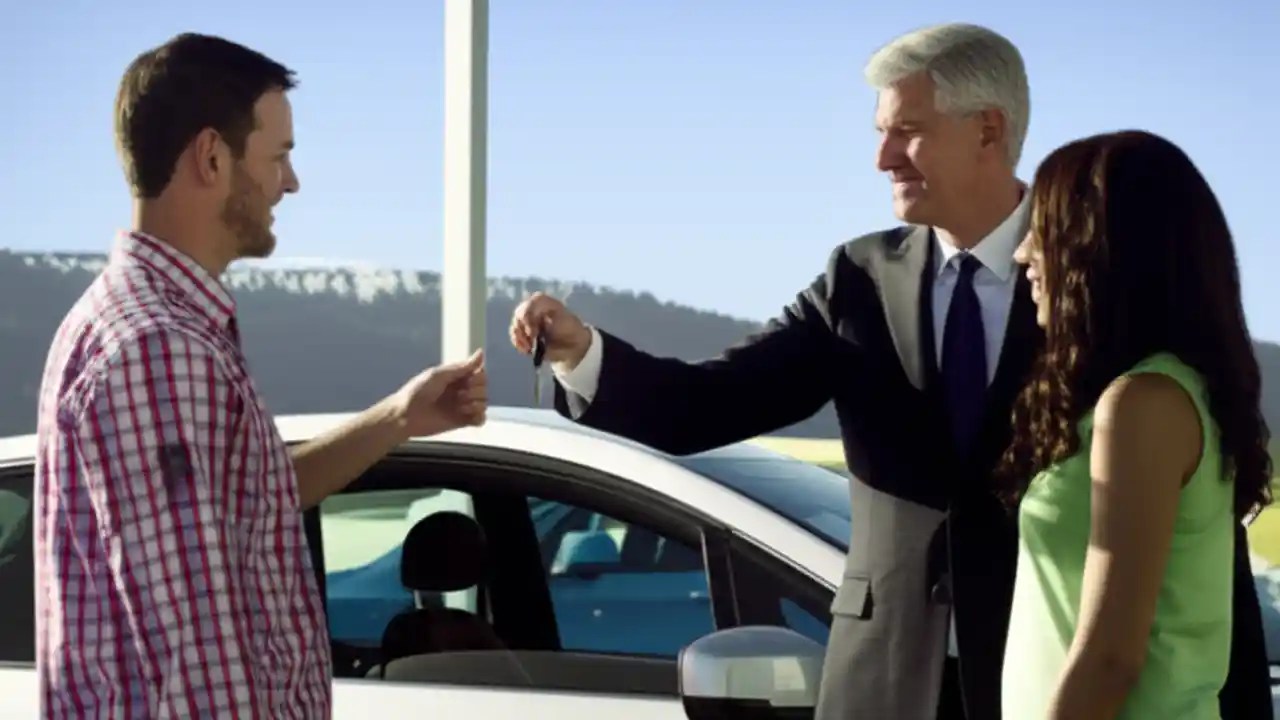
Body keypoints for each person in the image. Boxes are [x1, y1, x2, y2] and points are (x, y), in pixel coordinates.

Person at [509, 22, 1272, 720]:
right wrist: (583, 355)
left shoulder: (1095, 281)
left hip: (1056, 683)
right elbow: (709, 403)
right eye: (881, 133)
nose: (881, 159)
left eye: (907, 132)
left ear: (989, 130)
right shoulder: (858, 280)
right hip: (884, 682)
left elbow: (1183, 535)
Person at [33, 33, 488, 718]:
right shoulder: (159, 350)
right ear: (212, 157)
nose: (292, 182)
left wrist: (399, 418)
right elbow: (195, 654)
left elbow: (246, 504)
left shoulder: (143, 327)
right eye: (279, 156)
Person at [999, 130, 1272, 719]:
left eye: (1043, 228)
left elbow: (1111, 658)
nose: (1023, 253)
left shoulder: (1143, 403)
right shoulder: (1141, 396)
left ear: (1100, 246)